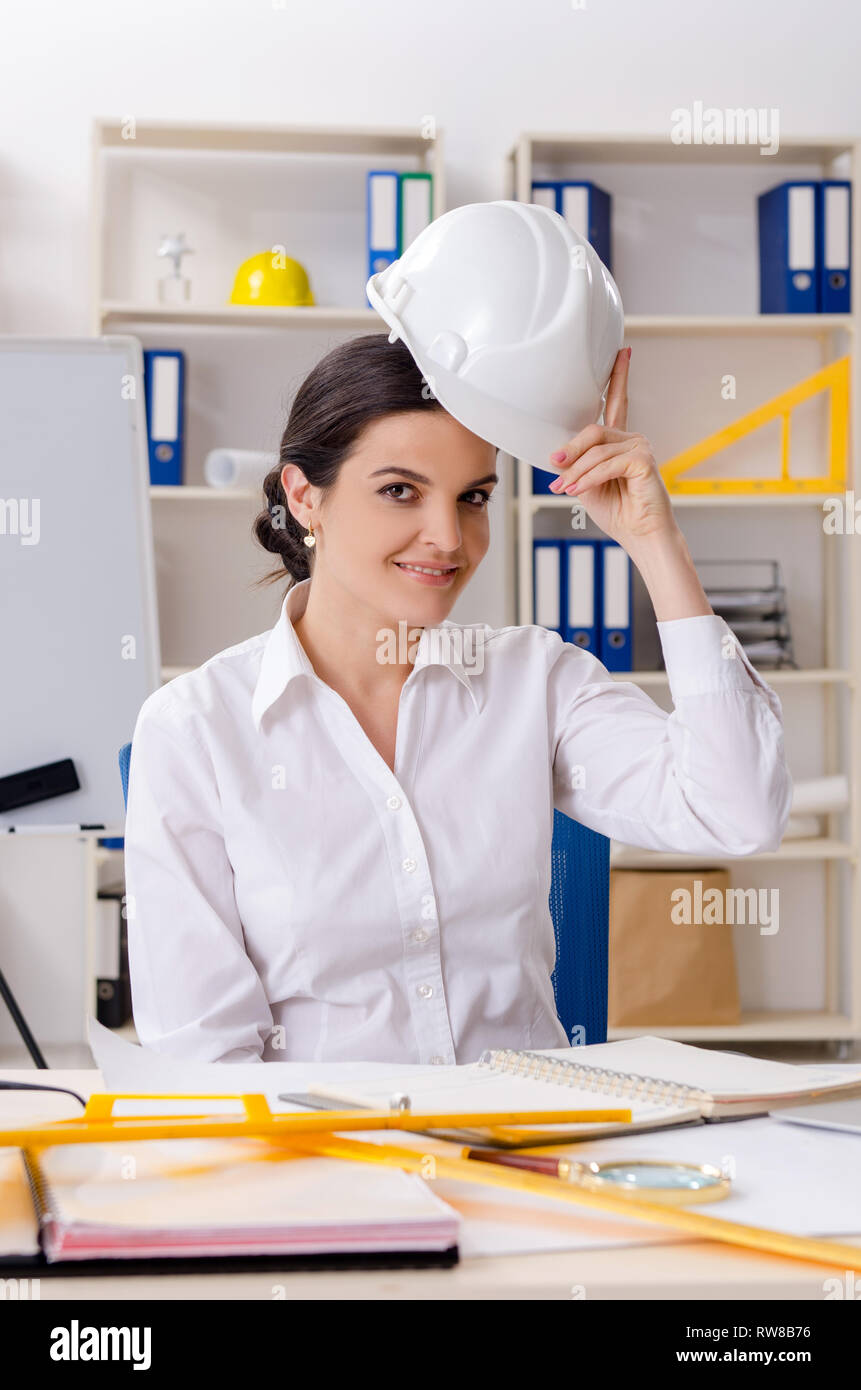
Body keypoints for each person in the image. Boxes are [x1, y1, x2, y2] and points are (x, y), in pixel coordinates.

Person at [123, 333, 792, 1064]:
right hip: (323, 1158)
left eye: (471, 497)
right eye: (399, 491)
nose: (447, 538)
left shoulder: (533, 680)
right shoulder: (196, 729)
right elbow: (203, 1065)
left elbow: (738, 814)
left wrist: (654, 543)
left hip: (524, 1148)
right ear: (304, 496)